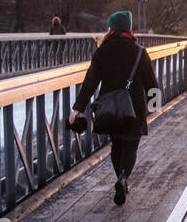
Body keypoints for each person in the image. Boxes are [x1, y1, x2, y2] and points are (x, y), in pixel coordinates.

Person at [68, 11, 159, 206]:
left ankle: (120, 178)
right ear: (129, 29)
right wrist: (155, 106)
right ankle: (124, 178)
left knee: (117, 144)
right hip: (134, 108)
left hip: (110, 109)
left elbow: (90, 82)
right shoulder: (140, 52)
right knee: (131, 145)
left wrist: (78, 107)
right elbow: (151, 83)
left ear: (112, 29)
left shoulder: (103, 51)